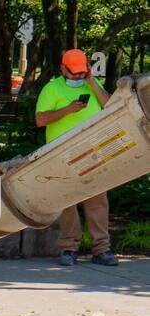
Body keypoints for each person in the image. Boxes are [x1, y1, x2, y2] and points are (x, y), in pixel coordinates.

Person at [35, 48, 118, 267]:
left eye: (82, 72)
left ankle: (102, 249)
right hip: (62, 154)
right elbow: (40, 120)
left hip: (92, 153)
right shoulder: (52, 89)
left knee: (98, 201)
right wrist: (67, 110)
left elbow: (111, 107)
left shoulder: (92, 84)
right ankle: (69, 248)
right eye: (73, 73)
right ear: (62, 69)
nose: (78, 77)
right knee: (67, 203)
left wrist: (91, 82)